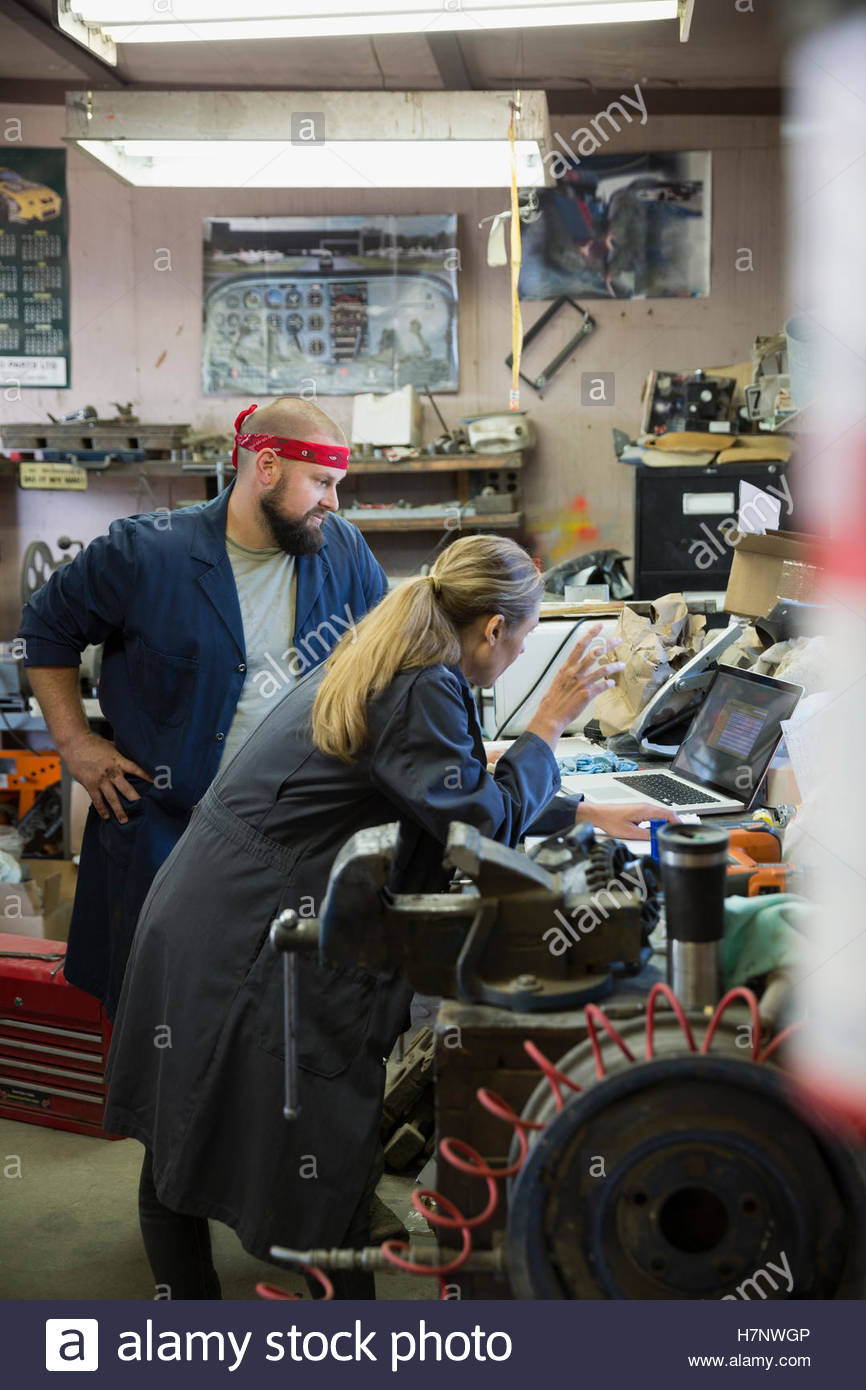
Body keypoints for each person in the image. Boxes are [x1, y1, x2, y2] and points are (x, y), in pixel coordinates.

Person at [103, 534, 672, 1301]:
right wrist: (546, 728)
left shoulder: (397, 650)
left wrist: (579, 806)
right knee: (311, 1160)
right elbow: (474, 824)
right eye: (527, 635)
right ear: (494, 630)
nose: (522, 651)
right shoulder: (420, 685)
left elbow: (439, 788)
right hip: (255, 930)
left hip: (210, 906)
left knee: (184, 1126)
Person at [17, 398, 387, 1017]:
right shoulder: (147, 553)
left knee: (277, 1026)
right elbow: (44, 628)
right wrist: (76, 744)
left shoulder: (343, 552)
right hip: (166, 838)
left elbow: (385, 662)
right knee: (159, 1024)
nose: (334, 503)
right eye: (322, 483)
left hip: (297, 843)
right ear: (266, 466)